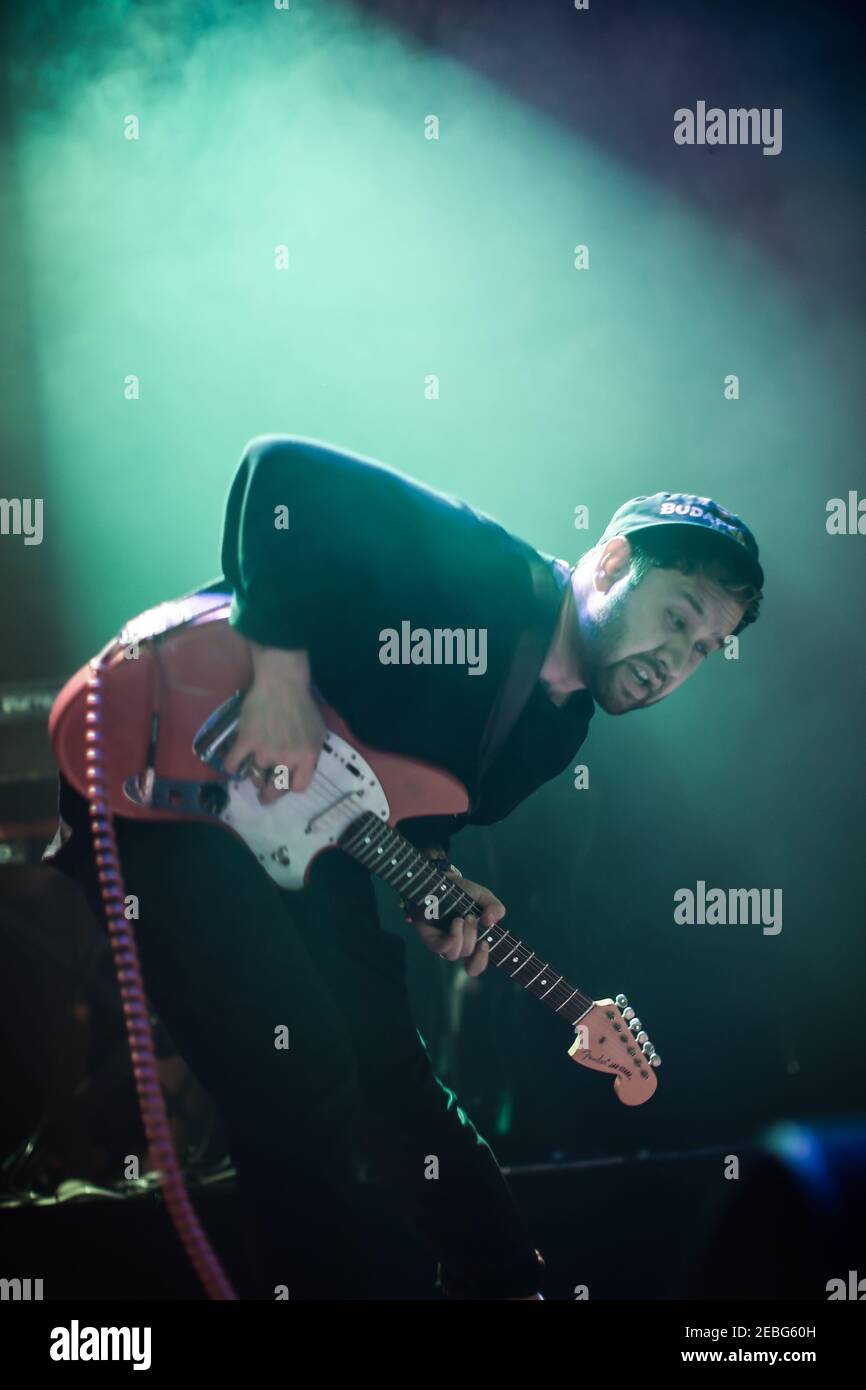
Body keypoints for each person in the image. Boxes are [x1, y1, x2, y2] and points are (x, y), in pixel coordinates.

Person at [44, 435, 764, 1300]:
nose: (677, 661)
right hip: (168, 768)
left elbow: (406, 801)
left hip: (291, 838)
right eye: (679, 617)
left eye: (704, 648)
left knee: (393, 1072)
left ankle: (504, 1287)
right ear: (610, 563)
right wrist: (278, 675)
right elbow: (281, 470)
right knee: (297, 1075)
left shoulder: (558, 730)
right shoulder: (486, 569)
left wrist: (433, 872)